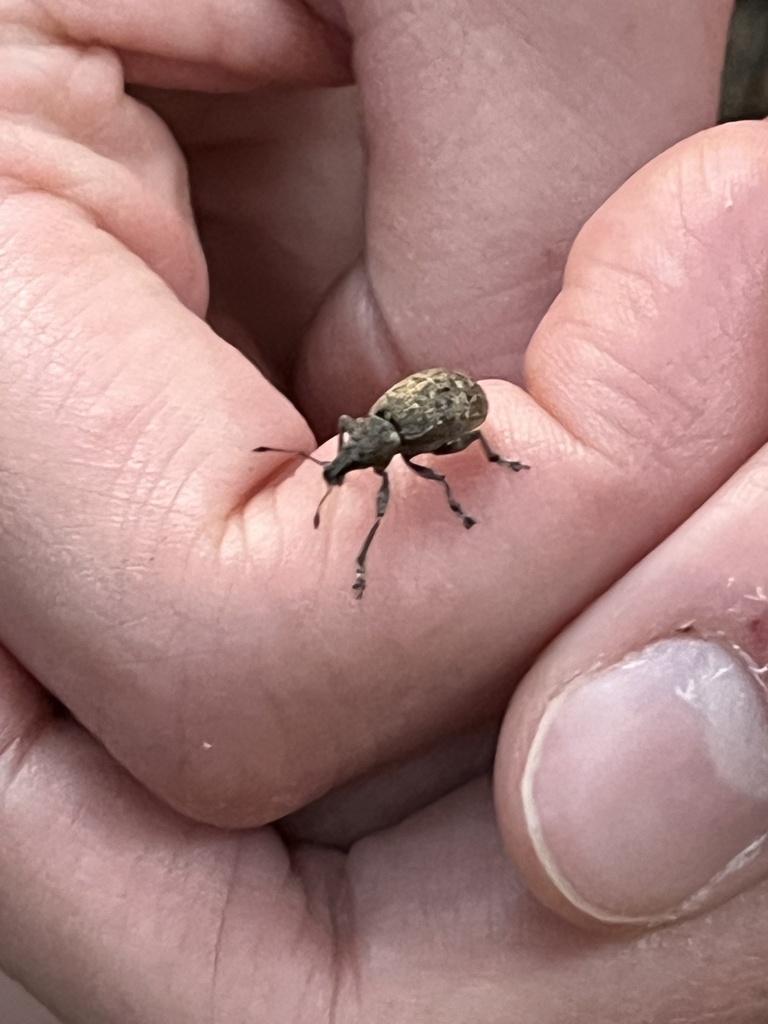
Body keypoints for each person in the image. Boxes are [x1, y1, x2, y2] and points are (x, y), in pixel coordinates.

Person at [0, 0, 761, 1021]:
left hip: (460, 409)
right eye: (346, 456)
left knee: (442, 476)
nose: (346, 461)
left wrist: (407, 524)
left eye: (347, 456)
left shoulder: (404, 447)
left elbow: (437, 441)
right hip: (434, 398)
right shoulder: (368, 439)